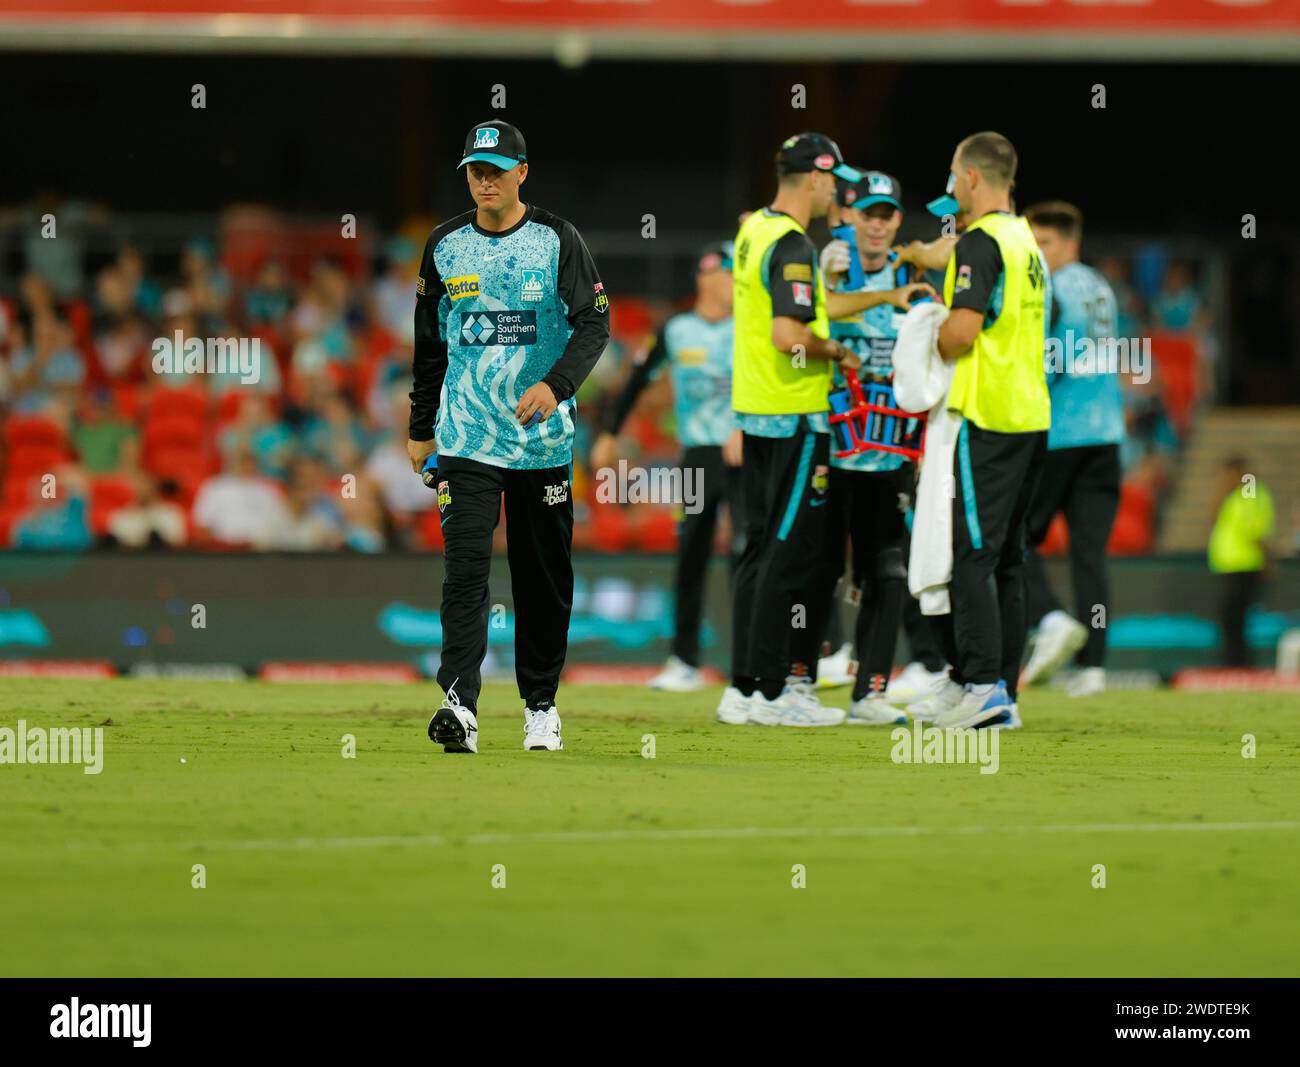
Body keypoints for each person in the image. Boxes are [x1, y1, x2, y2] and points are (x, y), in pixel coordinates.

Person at [408, 120, 610, 754]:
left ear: (523, 172)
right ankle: (460, 706)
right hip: (465, 437)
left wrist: (556, 385)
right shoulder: (443, 247)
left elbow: (595, 324)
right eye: (474, 169)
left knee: (542, 574)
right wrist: (421, 428)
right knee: (464, 572)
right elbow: (428, 346)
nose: (484, 179)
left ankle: (540, 705)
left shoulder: (558, 240)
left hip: (542, 441)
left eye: (496, 168)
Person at [716, 131, 888, 729]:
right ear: (814, 178)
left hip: (758, 411)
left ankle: (743, 689)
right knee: (788, 555)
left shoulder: (753, 231)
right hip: (793, 417)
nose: (836, 193)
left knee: (760, 550)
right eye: (833, 182)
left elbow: (802, 308)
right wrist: (838, 353)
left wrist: (879, 295)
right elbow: (791, 336)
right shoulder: (791, 244)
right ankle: (768, 692)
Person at [906, 132, 1051, 730]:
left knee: (972, 557)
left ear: (969, 176)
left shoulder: (983, 242)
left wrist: (924, 344)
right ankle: (995, 689)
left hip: (987, 413)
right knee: (1007, 560)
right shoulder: (1025, 241)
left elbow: (962, 331)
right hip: (1031, 413)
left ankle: (981, 686)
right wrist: (924, 254)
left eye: (952, 173)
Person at [807, 170, 937, 724]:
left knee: (887, 570)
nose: (877, 224)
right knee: (816, 568)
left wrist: (927, 253)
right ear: (849, 218)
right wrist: (826, 276)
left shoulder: (915, 268)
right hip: (832, 446)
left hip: (892, 453)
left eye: (887, 215)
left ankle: (871, 692)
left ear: (898, 221)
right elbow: (812, 316)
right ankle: (796, 683)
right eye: (868, 214)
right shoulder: (830, 263)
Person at [590, 242, 741, 692]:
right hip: (697, 453)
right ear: (705, 279)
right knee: (691, 553)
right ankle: (684, 661)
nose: (731, 285)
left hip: (746, 451)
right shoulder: (678, 330)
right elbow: (637, 381)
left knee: (747, 555)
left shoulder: (753, 328)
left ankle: (750, 665)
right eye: (725, 275)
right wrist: (610, 435)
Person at [1019, 201, 1124, 698]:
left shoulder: (1052, 288)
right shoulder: (1102, 286)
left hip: (1061, 433)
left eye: (1046, 243)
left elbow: (1048, 363)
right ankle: (1093, 667)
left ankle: (1050, 618)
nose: (1038, 253)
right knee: (1089, 555)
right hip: (1107, 435)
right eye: (1034, 243)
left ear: (1070, 243)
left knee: (1013, 537)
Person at [1208, 456, 1274, 667]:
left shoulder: (1249, 491)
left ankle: (1238, 667)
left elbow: (1254, 528)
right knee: (1230, 620)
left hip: (1244, 565)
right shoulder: (1237, 494)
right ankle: (1234, 665)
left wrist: (1267, 558)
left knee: (1235, 620)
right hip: (1231, 565)